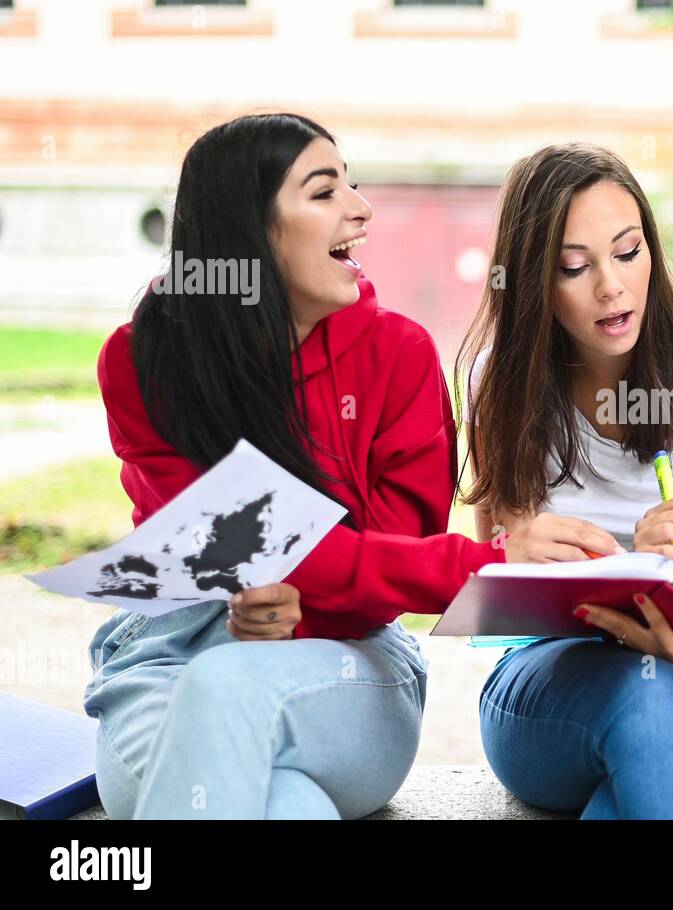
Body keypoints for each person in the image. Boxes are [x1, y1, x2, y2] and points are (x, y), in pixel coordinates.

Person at [86, 114, 620, 820]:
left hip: (346, 667)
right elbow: (237, 546)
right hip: (168, 661)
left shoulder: (398, 355)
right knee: (281, 804)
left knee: (225, 689)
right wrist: (480, 562)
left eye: (354, 186)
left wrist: (298, 598)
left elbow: (382, 564)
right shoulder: (143, 362)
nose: (361, 211)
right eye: (324, 192)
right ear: (248, 228)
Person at [459, 142, 673, 819]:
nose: (610, 285)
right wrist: (528, 553)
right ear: (531, 283)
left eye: (629, 252)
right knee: (644, 692)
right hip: (551, 681)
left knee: (644, 771)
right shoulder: (500, 381)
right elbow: (496, 592)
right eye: (575, 267)